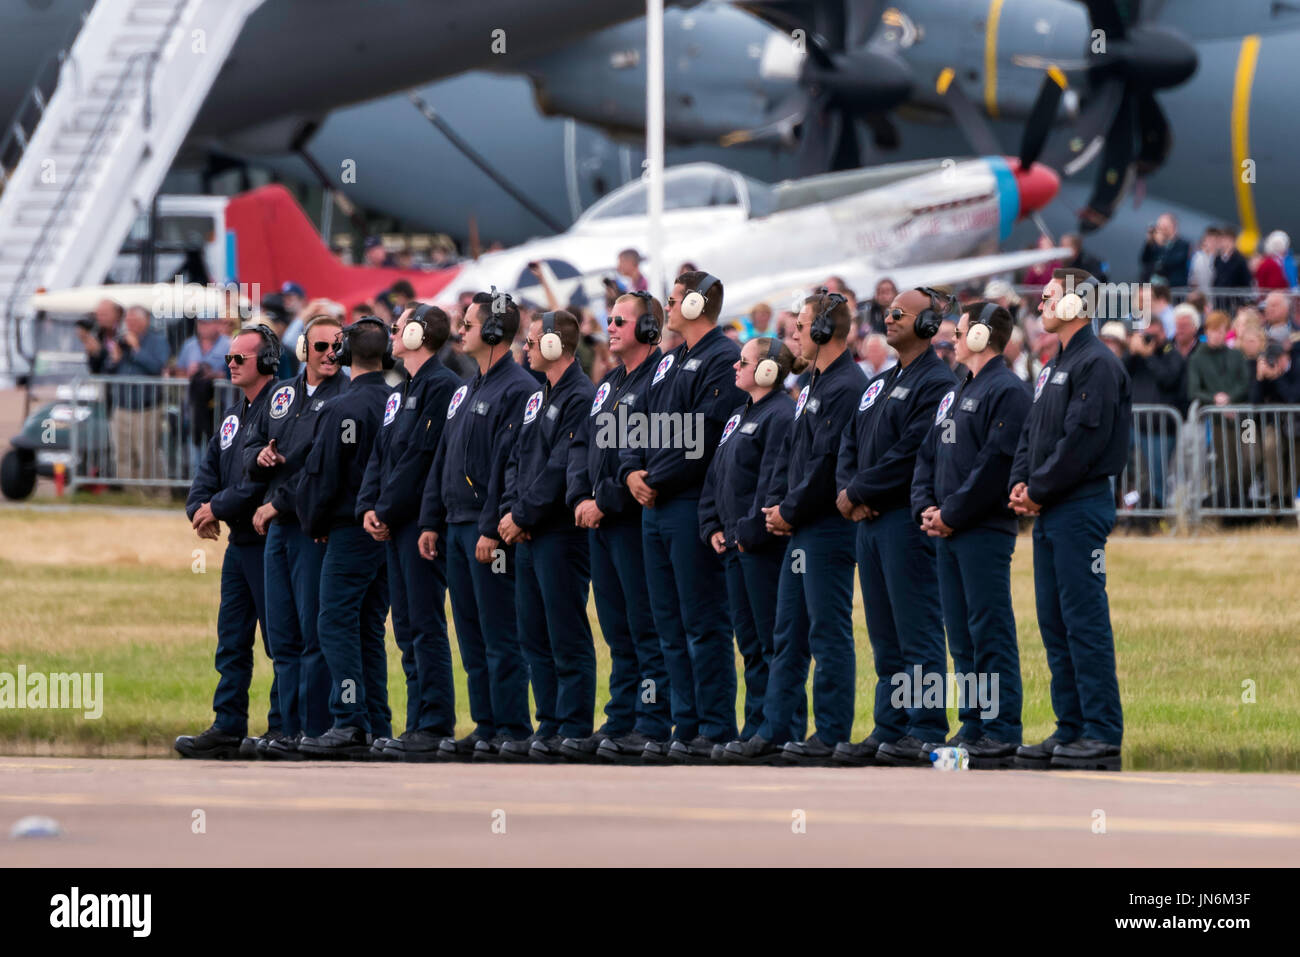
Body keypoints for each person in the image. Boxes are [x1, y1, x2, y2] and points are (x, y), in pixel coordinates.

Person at [719, 292, 864, 766]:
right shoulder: (813, 386)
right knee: (787, 634)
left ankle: (831, 732)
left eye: (800, 328)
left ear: (823, 331)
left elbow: (826, 465)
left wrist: (789, 510)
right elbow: (789, 458)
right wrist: (779, 507)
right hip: (800, 527)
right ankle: (776, 730)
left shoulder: (845, 386)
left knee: (827, 632)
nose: (794, 337)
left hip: (825, 529)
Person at [619, 271, 746, 764]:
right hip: (654, 507)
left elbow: (707, 438)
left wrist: (653, 479)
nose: (666, 309)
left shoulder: (723, 359)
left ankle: (714, 728)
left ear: (695, 304)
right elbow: (635, 424)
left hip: (690, 507)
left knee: (703, 623)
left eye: (672, 301)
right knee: (668, 624)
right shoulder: (669, 361)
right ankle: (684, 724)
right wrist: (631, 470)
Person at [1009, 267, 1131, 771]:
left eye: (1052, 294)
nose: (1042, 301)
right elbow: (1032, 432)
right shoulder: (1052, 365)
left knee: (1084, 621)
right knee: (1055, 622)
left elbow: (1082, 441)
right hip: (1051, 507)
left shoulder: (1097, 364)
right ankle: (1072, 727)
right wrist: (1020, 484)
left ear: (1078, 304)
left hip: (1078, 506)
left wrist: (1038, 488)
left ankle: (1100, 732)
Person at [834, 288, 956, 766]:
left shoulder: (937, 383)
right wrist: (848, 493)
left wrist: (859, 491)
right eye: (887, 311)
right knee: (884, 633)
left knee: (918, 630)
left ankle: (924, 728)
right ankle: (890, 724)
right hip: (868, 524)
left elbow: (911, 451)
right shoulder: (878, 384)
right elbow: (851, 440)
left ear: (927, 325)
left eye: (900, 313)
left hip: (904, 523)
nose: (889, 318)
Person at [417, 291, 537, 762]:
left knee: (500, 632)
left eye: (467, 323)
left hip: (487, 532)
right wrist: (431, 520)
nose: (459, 330)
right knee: (469, 633)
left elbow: (510, 467)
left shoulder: (518, 389)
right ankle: (486, 723)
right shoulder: (466, 390)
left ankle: (511, 725)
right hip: (455, 526)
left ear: (492, 331)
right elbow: (443, 459)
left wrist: (490, 527)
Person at [911, 302, 1031, 767]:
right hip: (947, 531)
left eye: (959, 332)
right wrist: (926, 506)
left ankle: (1002, 727)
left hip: (981, 530)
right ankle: (976, 721)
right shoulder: (958, 389)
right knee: (960, 635)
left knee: (989, 629)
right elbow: (927, 455)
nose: (951, 340)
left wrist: (952, 513)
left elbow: (993, 467)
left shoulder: (1007, 391)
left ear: (981, 336)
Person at [567, 293, 674, 764]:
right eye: (608, 319)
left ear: (649, 328)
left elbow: (648, 459)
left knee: (644, 626)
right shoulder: (609, 383)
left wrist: (604, 501)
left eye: (619, 321)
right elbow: (584, 447)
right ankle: (621, 717)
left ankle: (650, 721)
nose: (609, 327)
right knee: (617, 630)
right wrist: (580, 497)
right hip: (600, 522)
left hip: (631, 522)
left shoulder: (660, 380)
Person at [358, 304, 462, 762]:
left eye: (399, 328)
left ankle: (434, 722)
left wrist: (384, 508)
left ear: (421, 335)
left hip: (418, 523)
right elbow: (382, 454)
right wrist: (369, 506)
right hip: (396, 523)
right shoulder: (404, 389)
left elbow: (420, 459)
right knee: (405, 627)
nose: (393, 335)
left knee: (424, 624)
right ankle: (416, 721)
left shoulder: (442, 387)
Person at [496, 310, 597, 762]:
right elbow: (518, 457)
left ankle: (573, 725)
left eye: (533, 341)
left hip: (558, 533)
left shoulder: (580, 396)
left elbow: (560, 468)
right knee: (533, 634)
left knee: (565, 632)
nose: (526, 348)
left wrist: (523, 514)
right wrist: (511, 512)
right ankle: (550, 722)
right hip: (529, 532)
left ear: (556, 345)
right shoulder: (538, 396)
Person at [246, 314, 349, 760]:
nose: (330, 356)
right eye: (322, 347)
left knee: (312, 634)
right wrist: (261, 456)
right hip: (278, 531)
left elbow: (319, 468)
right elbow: (250, 443)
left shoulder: (344, 398)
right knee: (281, 636)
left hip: (309, 526)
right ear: (305, 349)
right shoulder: (282, 392)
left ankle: (312, 727)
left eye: (337, 348)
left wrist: (278, 502)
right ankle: (283, 728)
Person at [175, 325, 280, 759]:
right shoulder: (234, 414)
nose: (231, 365)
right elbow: (209, 469)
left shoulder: (281, 408)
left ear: (268, 362)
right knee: (232, 639)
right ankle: (228, 724)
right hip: (239, 545)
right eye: (229, 359)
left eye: (241, 358)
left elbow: (260, 482)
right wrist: (200, 509)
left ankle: (284, 727)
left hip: (270, 542)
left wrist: (216, 508)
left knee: (281, 642)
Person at [295, 319, 394, 758]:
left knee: (335, 621)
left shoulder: (343, 408)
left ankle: (350, 717)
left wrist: (313, 522)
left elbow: (322, 477)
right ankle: (376, 723)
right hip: (389, 532)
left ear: (346, 353)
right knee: (368, 627)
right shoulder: (397, 402)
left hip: (350, 531)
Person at [698, 336, 798, 750]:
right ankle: (756, 727)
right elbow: (716, 476)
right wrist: (711, 525)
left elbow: (772, 481)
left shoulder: (781, 415)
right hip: (736, 546)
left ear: (768, 370)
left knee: (773, 643)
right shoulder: (739, 415)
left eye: (744, 362)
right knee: (751, 646)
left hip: (760, 547)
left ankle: (779, 731)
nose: (735, 368)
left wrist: (747, 531)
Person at [91, 305, 172, 501]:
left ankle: (159, 496)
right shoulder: (120, 341)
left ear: (146, 321)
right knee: (123, 455)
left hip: (147, 407)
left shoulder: (157, 341)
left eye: (135, 320)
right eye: (128, 321)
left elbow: (157, 366)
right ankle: (133, 497)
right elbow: (106, 370)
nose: (130, 324)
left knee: (147, 455)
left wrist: (136, 349)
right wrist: (115, 358)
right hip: (122, 407)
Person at [1188, 311, 1251, 508]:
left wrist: (1230, 399)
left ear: (1226, 332)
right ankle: (1229, 504)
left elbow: (1245, 382)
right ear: (1207, 331)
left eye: (1221, 331)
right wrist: (1215, 400)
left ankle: (1244, 500)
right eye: (1213, 331)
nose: (1217, 335)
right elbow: (1194, 389)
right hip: (1215, 421)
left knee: (1249, 458)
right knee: (1225, 463)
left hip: (1244, 419)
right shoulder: (1197, 358)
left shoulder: (1236, 354)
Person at [1139, 213, 1190, 288]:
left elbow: (1169, 263)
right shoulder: (1154, 244)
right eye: (1158, 227)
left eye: (1164, 227)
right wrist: (1149, 243)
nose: (1160, 230)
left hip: (1171, 289)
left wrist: (1160, 246)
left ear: (1173, 227)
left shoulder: (1183, 245)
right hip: (1150, 287)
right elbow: (1144, 260)